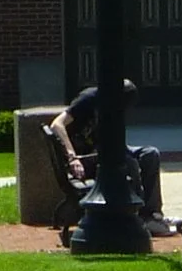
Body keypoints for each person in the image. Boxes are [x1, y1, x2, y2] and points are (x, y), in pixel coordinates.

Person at [47, 80, 165, 227]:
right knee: (129, 162)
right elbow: (57, 125)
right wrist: (72, 157)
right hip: (85, 158)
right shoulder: (89, 99)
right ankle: (136, 214)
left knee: (150, 154)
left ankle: (151, 214)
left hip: (106, 150)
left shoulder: (113, 106)